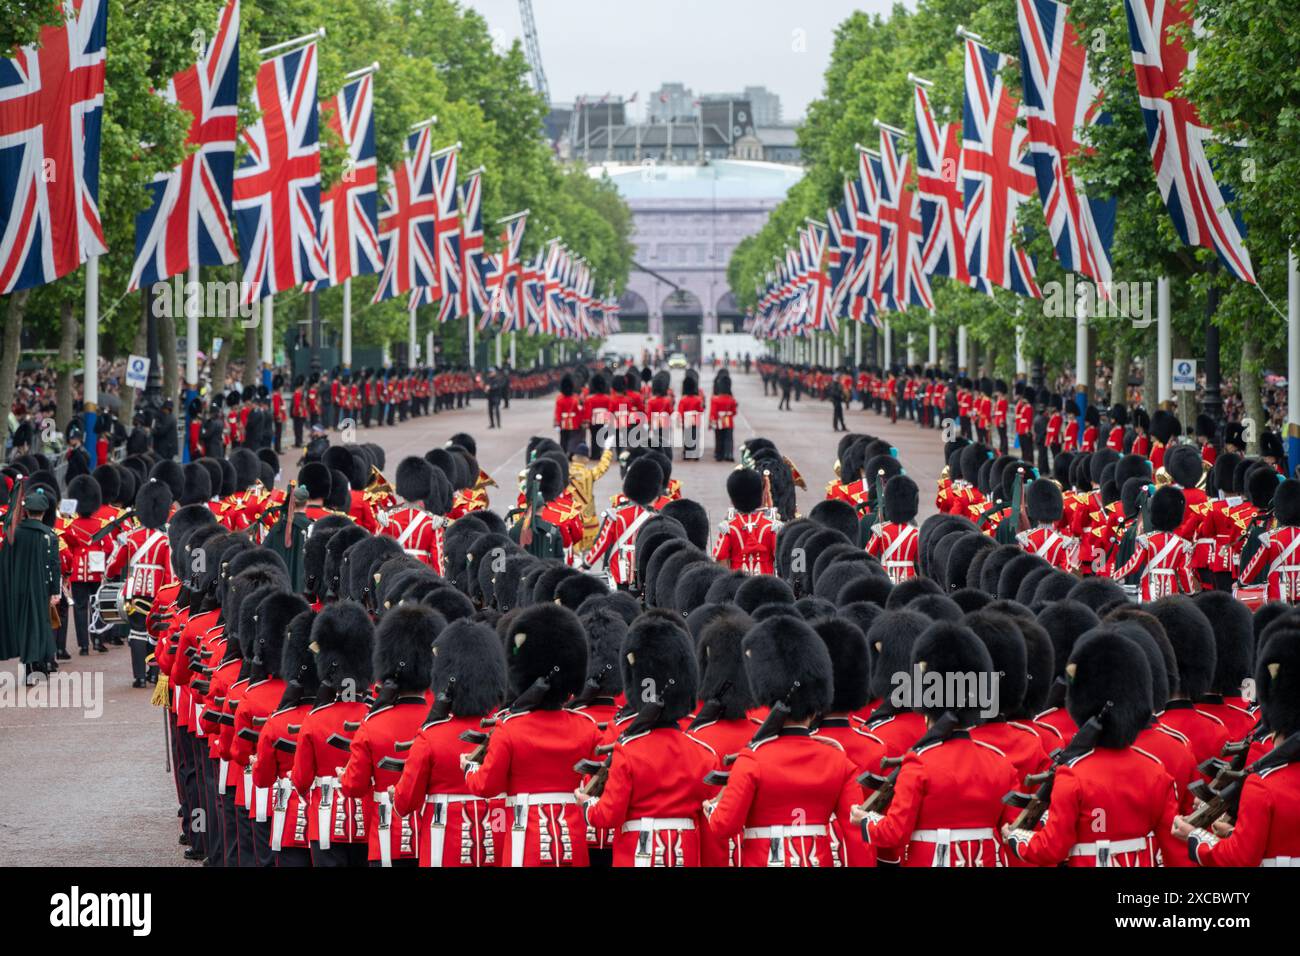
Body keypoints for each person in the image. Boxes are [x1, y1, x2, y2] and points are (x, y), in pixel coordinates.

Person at [705, 615, 862, 867]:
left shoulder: (752, 760)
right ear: (816, 706)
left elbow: (724, 826)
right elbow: (856, 834)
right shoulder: (838, 760)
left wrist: (711, 807)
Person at [577, 613, 718, 867]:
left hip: (637, 853)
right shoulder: (703, 754)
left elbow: (608, 815)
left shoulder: (628, 751)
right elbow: (709, 823)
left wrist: (586, 806)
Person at [0, 488, 62, 685]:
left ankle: (31, 668)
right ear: (43, 513)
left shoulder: (15, 533)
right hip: (39, 588)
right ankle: (38, 668)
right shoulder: (49, 535)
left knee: (25, 627)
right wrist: (55, 591)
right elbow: (54, 566)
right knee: (39, 626)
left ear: (27, 512)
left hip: (17, 588)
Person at [709, 376, 737, 463]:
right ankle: (729, 454)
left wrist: (711, 422)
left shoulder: (715, 400)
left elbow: (713, 412)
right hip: (729, 421)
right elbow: (734, 412)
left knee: (719, 438)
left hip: (719, 421)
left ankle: (719, 455)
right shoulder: (732, 400)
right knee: (729, 438)